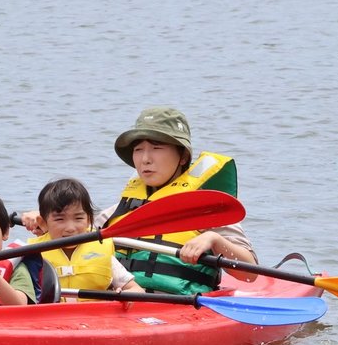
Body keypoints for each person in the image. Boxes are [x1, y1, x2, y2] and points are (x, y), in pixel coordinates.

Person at [21, 107, 256, 295]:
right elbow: (75, 230)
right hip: (124, 303)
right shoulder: (122, 209)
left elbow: (250, 273)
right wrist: (45, 217)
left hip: (181, 308)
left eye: (156, 148)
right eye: (138, 149)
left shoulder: (207, 208)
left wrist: (213, 239)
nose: (145, 159)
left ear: (182, 156)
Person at [30, 177, 143, 296]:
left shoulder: (102, 251)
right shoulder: (32, 255)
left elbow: (137, 291)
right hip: (51, 313)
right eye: (59, 219)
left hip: (94, 313)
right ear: (43, 223)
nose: (70, 228)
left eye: (78, 218)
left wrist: (123, 296)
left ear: (89, 219)